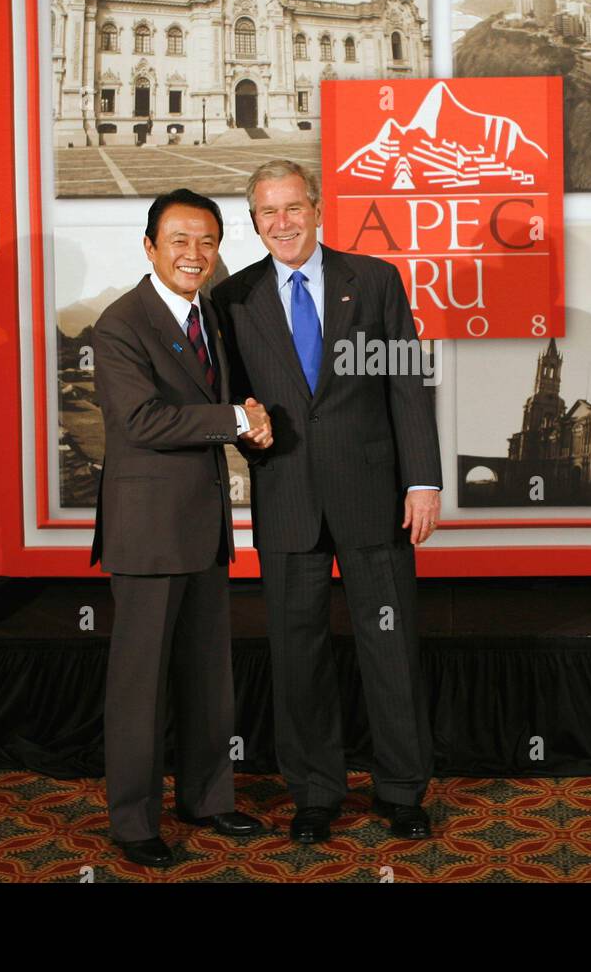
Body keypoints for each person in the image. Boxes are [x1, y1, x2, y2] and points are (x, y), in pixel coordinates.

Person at [213, 159, 441, 844]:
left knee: (390, 648)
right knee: (297, 655)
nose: (281, 223)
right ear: (254, 221)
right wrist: (248, 439)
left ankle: (402, 792)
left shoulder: (372, 280)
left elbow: (407, 384)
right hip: (285, 498)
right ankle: (314, 793)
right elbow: (234, 401)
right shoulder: (234, 298)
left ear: (316, 208)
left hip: (374, 497)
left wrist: (422, 481)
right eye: (266, 213)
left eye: (292, 208)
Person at [90, 188, 273, 867]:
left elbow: (223, 407)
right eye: (179, 241)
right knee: (140, 687)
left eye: (206, 242)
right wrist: (235, 419)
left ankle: (209, 798)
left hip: (202, 528)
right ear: (149, 247)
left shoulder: (210, 317)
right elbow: (140, 422)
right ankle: (134, 822)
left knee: (207, 676)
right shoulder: (120, 324)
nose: (194, 254)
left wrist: (252, 427)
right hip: (147, 534)